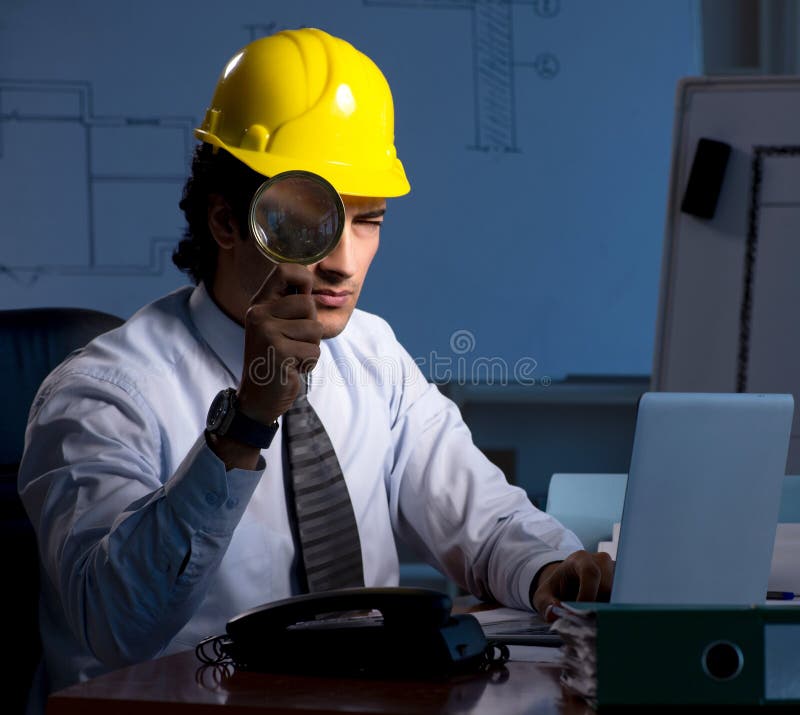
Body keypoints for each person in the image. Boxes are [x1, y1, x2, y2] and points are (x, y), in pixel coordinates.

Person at [18, 27, 613, 711]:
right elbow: (117, 622)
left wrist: (550, 568)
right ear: (225, 219)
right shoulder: (103, 393)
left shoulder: (372, 353)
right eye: (314, 220)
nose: (344, 261)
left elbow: (481, 515)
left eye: (368, 221)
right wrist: (243, 425)